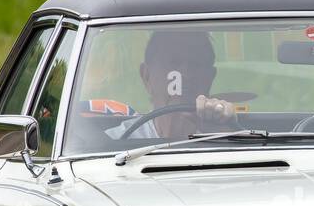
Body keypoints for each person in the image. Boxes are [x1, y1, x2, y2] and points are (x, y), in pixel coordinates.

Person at [100, 29, 236, 140]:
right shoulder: (116, 142)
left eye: (196, 65)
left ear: (209, 78)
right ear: (146, 76)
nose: (186, 74)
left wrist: (227, 136)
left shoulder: (226, 136)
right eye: (174, 63)